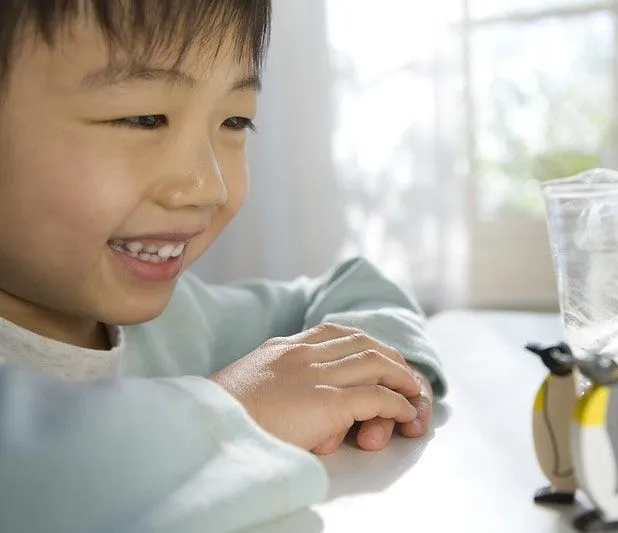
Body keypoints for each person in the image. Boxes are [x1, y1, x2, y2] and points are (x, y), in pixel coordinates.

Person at [0, 1, 447, 532]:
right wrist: (233, 412)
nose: (209, 187)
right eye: (143, 118)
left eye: (235, 120)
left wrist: (364, 373)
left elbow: (353, 287)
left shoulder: (184, 321)